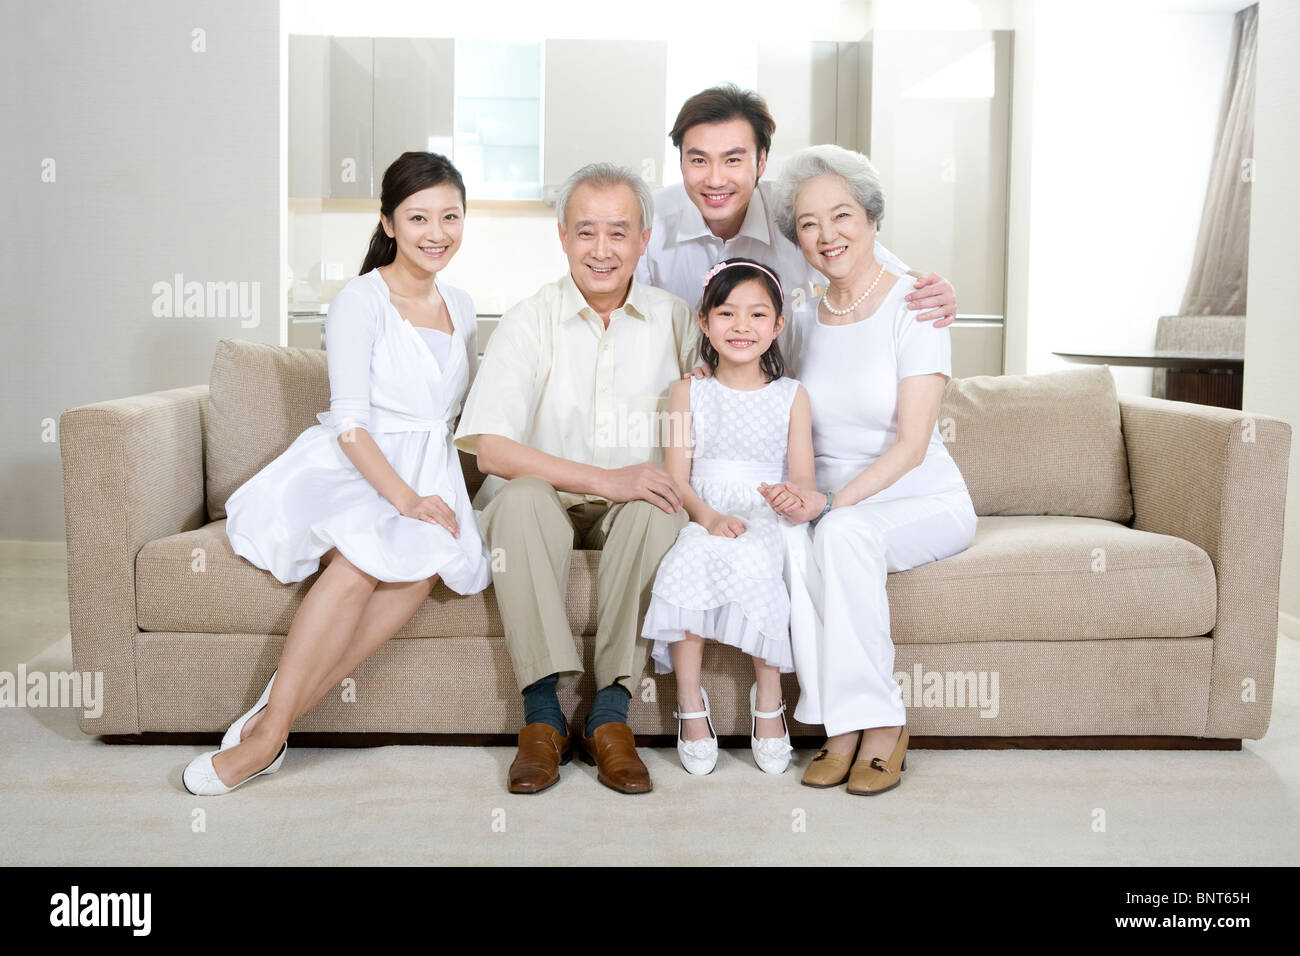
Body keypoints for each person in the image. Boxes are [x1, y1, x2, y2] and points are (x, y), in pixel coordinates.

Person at [183, 152, 491, 795]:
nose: (437, 232)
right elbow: (351, 423)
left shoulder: (461, 302)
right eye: (419, 218)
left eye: (451, 216)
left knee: (420, 567)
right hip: (357, 463)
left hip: (427, 467)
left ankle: (275, 716)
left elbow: (462, 410)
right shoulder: (360, 300)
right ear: (388, 222)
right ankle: (268, 738)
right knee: (359, 560)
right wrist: (404, 499)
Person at [452, 162, 696, 796]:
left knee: (661, 506)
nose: (602, 249)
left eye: (619, 232)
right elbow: (492, 452)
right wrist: (606, 478)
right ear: (562, 237)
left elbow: (729, 402)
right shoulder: (529, 318)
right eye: (586, 231)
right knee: (519, 500)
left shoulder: (679, 320)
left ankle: (610, 718)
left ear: (644, 240)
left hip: (634, 507)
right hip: (547, 504)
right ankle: (543, 720)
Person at [758, 144, 978, 796]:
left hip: (919, 495)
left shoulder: (918, 306)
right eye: (807, 223)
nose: (827, 235)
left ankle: (877, 725)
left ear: (872, 217)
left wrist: (833, 505)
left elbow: (912, 445)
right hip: (831, 496)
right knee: (797, 542)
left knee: (842, 534)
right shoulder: (800, 313)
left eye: (843, 215)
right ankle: (843, 725)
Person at [641, 258, 812, 777]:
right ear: (704, 320)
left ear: (778, 326)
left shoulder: (792, 396)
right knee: (685, 564)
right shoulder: (688, 391)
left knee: (762, 568)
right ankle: (690, 707)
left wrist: (788, 498)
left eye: (758, 315)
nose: (742, 327)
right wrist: (709, 517)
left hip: (764, 514)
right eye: (727, 313)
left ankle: (768, 702)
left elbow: (802, 479)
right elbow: (678, 477)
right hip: (704, 510)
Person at [635, 83, 957, 327]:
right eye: (699, 160)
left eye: (733, 159)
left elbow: (871, 263)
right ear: (680, 163)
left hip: (789, 396)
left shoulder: (796, 208)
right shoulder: (650, 218)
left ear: (761, 161)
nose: (716, 179)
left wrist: (927, 289)